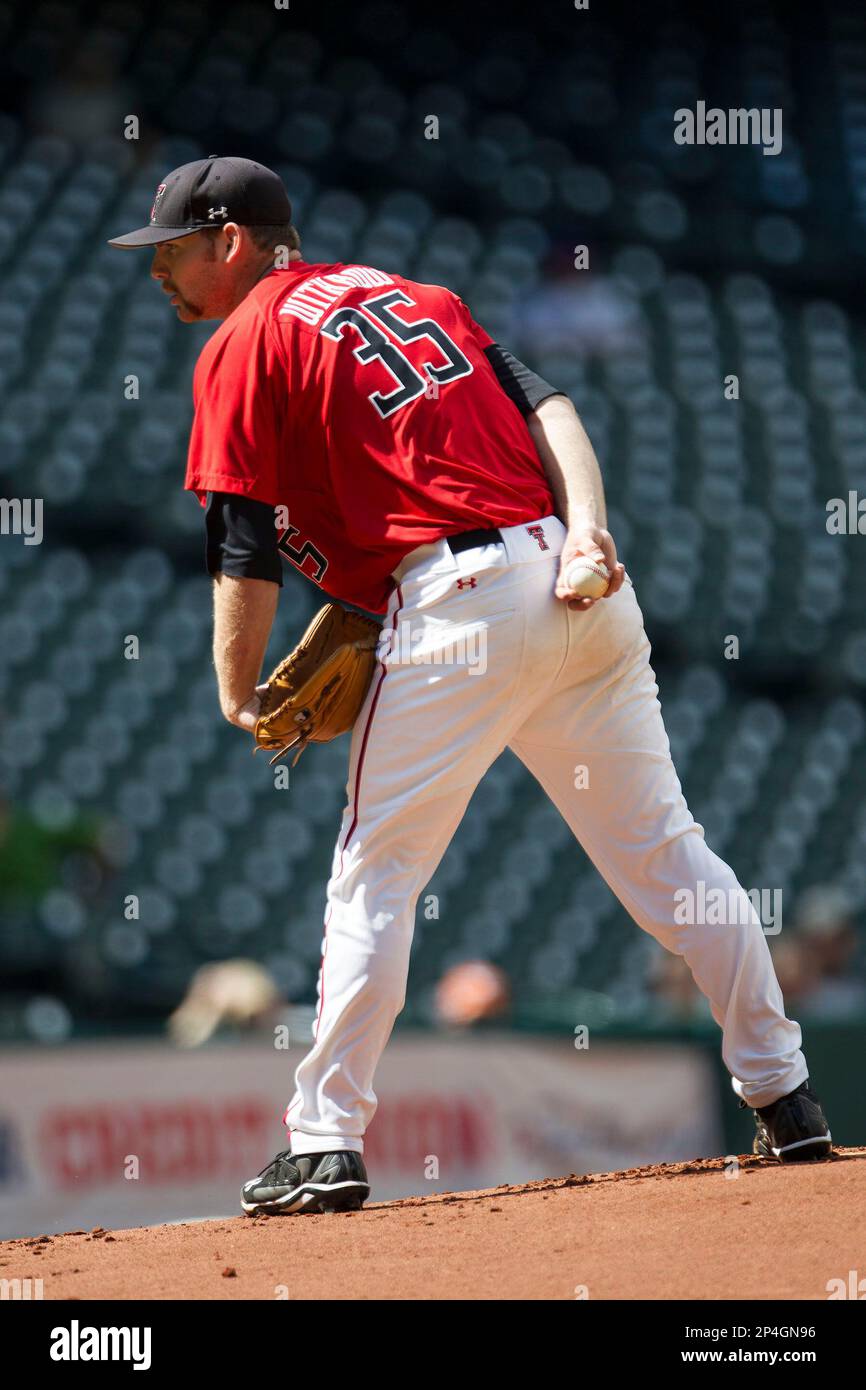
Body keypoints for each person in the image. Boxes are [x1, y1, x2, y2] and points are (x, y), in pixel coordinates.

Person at [109, 156, 832, 1214]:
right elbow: (554, 407)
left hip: (455, 602)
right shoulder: (418, 295)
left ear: (231, 243)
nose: (159, 273)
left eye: (171, 251)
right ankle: (784, 1094)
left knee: (375, 871)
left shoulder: (244, 335)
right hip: (572, 590)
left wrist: (235, 687)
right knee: (670, 854)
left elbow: (241, 537)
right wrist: (588, 527)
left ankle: (323, 1139)